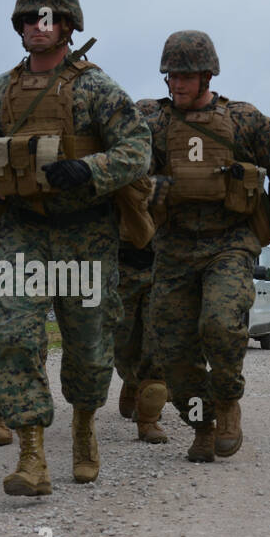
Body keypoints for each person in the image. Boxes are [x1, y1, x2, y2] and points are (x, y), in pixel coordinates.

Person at [0, 0, 150, 495]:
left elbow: (138, 147)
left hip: (86, 234)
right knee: (14, 336)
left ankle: (85, 424)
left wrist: (89, 170)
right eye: (27, 19)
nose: (35, 27)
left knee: (89, 348)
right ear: (18, 27)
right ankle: (32, 456)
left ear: (67, 24)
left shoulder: (97, 88)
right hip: (23, 231)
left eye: (45, 18)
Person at [142, 31, 270, 462]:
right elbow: (122, 166)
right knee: (173, 347)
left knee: (220, 325)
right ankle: (201, 424)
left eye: (185, 76)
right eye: (170, 76)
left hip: (231, 241)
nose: (176, 84)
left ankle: (227, 402)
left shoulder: (244, 120)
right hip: (174, 243)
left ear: (206, 76)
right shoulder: (152, 122)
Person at [113, 169, 168, 444]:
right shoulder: (123, 144)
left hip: (164, 261)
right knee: (121, 342)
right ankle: (132, 379)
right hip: (121, 261)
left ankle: (149, 418)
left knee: (157, 344)